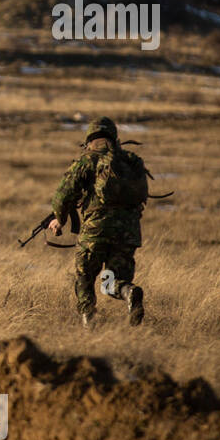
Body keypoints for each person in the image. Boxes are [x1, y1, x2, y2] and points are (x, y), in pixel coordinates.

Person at [48, 117, 150, 327]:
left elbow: (62, 196)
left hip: (96, 231)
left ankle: (89, 323)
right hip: (128, 233)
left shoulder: (88, 160)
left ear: (89, 138)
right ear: (114, 136)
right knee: (110, 282)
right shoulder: (131, 161)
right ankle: (128, 292)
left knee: (84, 276)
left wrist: (60, 219)